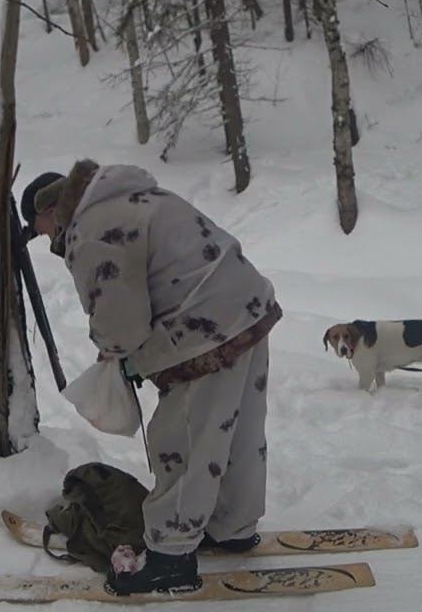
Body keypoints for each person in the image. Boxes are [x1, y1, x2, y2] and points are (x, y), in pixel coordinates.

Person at [20, 159, 282, 595]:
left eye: (41, 230)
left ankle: (170, 557)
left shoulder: (92, 228)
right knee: (236, 429)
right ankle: (231, 526)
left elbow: (120, 325)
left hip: (203, 331)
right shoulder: (134, 196)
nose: (47, 239)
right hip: (248, 307)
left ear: (49, 212)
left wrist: (116, 353)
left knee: (183, 439)